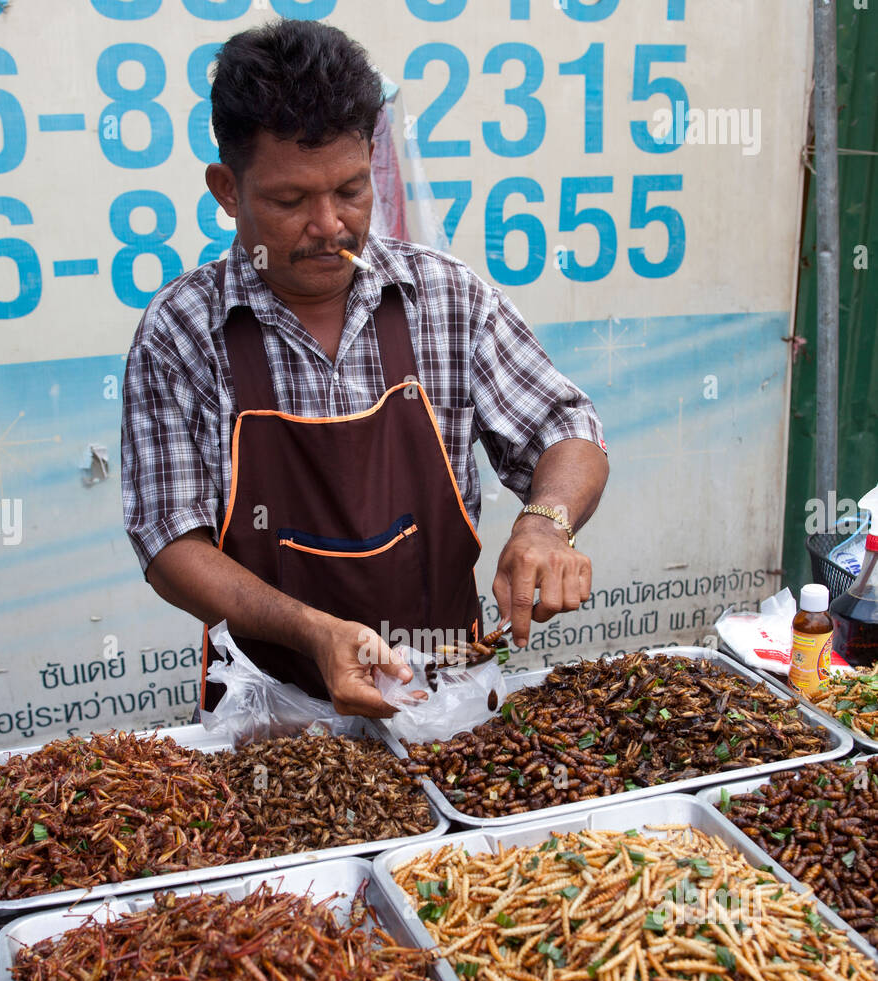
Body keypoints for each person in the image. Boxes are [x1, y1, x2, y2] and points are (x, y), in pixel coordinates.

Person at [121, 19, 608, 717]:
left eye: (350, 190)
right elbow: (170, 540)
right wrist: (312, 632)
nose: (329, 224)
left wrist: (544, 524)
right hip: (271, 707)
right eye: (290, 201)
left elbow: (566, 429)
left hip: (447, 690)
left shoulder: (446, 297)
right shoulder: (182, 332)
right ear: (227, 189)